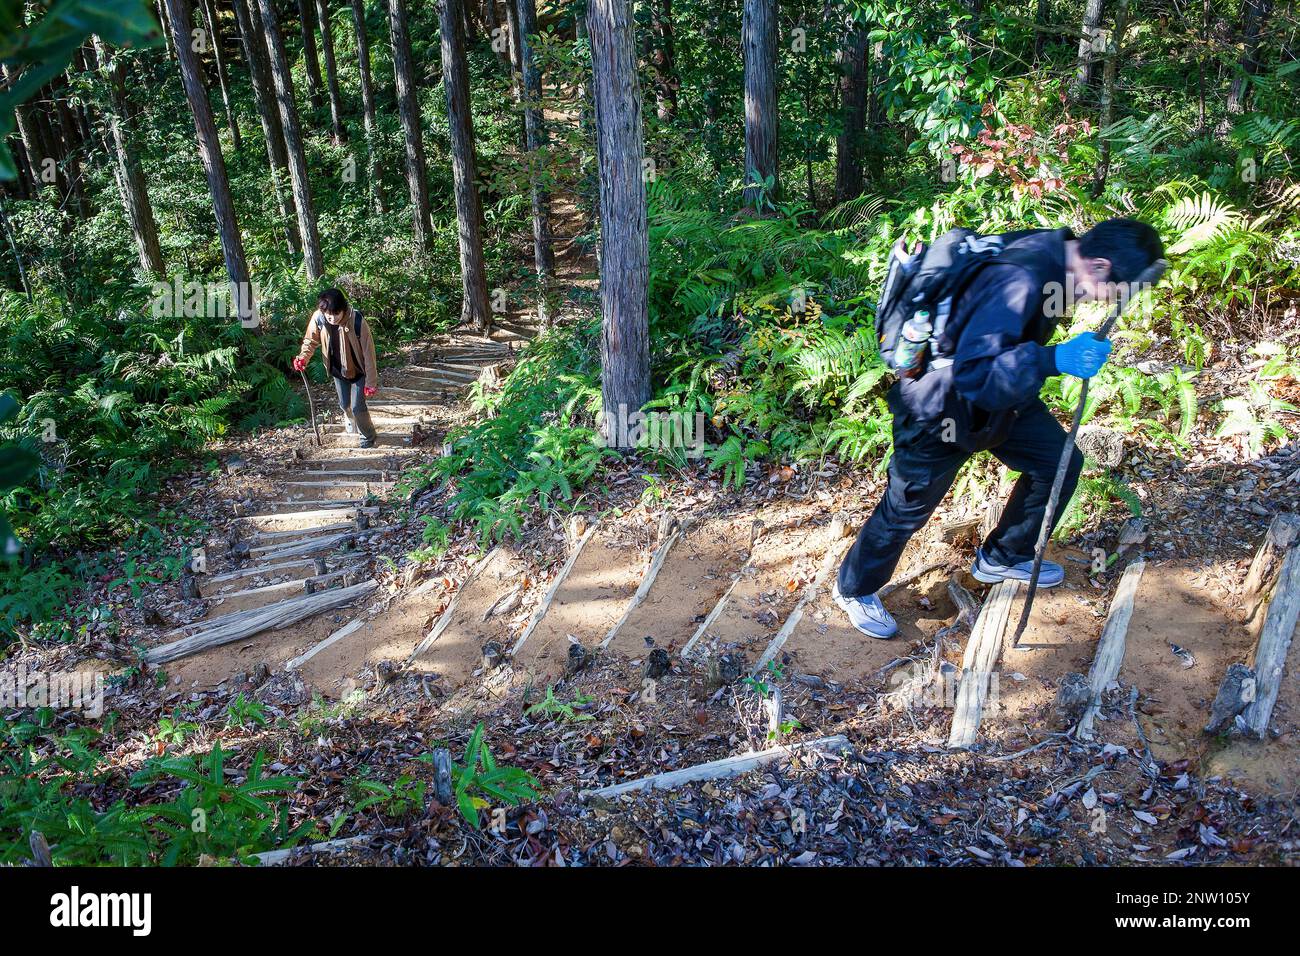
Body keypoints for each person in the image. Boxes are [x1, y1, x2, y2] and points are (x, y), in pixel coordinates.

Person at [834, 218, 1165, 639]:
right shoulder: (1023, 277)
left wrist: (1047, 358)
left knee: (1056, 461)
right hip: (942, 402)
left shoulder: (1057, 252)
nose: (1117, 298)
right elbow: (975, 372)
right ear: (1099, 266)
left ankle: (1004, 555)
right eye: (1121, 289)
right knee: (908, 506)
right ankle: (853, 588)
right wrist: (1054, 359)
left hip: (1000, 397)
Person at [293, 288, 380, 449]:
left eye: (336, 314)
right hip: (338, 371)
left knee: (357, 406)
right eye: (329, 315)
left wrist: (371, 382)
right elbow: (310, 341)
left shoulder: (357, 320)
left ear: (343, 309)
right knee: (345, 405)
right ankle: (350, 418)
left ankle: (368, 436)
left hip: (359, 371)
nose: (332, 318)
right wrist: (302, 358)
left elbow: (369, 352)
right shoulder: (319, 318)